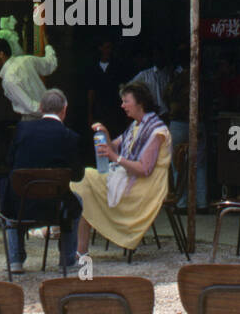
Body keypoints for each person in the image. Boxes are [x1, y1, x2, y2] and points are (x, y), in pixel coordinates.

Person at [71, 82, 170, 263]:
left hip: (144, 187)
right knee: (82, 182)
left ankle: (80, 249)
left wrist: (114, 157)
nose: (122, 105)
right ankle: (80, 249)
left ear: (140, 103)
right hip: (126, 177)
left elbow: (144, 169)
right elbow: (113, 148)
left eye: (126, 101)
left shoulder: (156, 131)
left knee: (83, 181)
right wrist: (105, 133)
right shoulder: (136, 126)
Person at [0, 88, 83, 274]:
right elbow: (78, 175)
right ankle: (67, 258)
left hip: (21, 205)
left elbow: (9, 163)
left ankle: (15, 260)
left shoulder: (21, 130)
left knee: (9, 193)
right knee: (77, 201)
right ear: (64, 109)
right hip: (55, 206)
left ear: (40, 108)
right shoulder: (70, 136)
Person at [165, 46, 209, 211]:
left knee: (178, 164)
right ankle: (201, 202)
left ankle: (181, 202)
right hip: (198, 121)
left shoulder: (175, 78)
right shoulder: (200, 77)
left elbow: (166, 96)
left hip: (178, 123)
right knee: (199, 165)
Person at [0, 37, 57, 120]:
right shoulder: (26, 60)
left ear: (1, 54)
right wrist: (48, 47)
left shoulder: (9, 79)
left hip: (35, 120)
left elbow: (31, 107)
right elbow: (50, 64)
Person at [82, 37, 127, 143]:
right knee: (100, 139)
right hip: (99, 110)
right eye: (106, 47)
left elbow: (123, 89)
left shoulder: (117, 67)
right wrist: (90, 114)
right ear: (100, 48)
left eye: (110, 48)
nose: (108, 50)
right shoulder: (94, 68)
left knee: (114, 138)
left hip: (114, 110)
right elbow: (91, 92)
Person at [128, 46, 171, 117]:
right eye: (156, 55)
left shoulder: (170, 75)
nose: (159, 57)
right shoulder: (145, 75)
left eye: (161, 55)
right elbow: (129, 89)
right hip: (150, 114)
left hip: (167, 115)